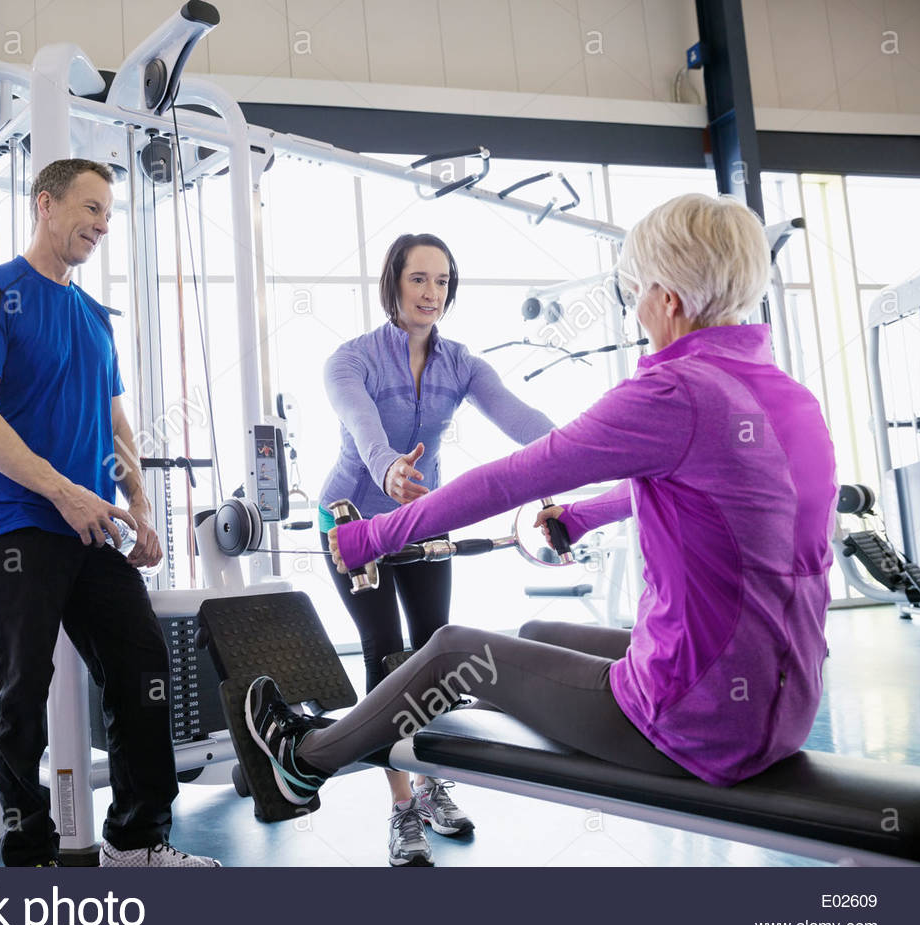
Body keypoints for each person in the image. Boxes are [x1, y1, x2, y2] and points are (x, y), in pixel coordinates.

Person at [246, 193, 838, 821]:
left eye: (636, 292)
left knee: (448, 651)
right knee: (534, 636)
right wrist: (578, 514)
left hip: (701, 726)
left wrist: (375, 536)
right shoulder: (791, 397)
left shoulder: (670, 390)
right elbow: (678, 486)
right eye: (418, 278)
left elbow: (509, 478)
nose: (636, 308)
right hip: (786, 706)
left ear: (666, 298)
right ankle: (441, 753)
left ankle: (302, 760)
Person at [0, 158, 218, 867]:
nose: (101, 225)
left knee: (143, 667)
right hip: (17, 523)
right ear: (45, 204)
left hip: (95, 526)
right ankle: (30, 852)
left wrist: (141, 505)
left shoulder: (95, 317)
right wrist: (62, 491)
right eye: (90, 209)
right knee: (19, 692)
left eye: (107, 214)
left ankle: (135, 839)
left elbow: (116, 423)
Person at [318, 233, 554, 865]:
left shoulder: (462, 363)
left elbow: (521, 419)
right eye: (418, 279)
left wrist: (583, 452)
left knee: (433, 647)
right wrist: (391, 468)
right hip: (354, 521)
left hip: (426, 522)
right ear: (393, 282)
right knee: (386, 652)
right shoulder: (351, 359)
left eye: (442, 281)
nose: (431, 293)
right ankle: (401, 807)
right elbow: (363, 428)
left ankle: (429, 781)